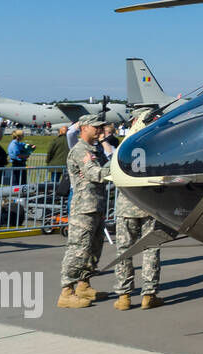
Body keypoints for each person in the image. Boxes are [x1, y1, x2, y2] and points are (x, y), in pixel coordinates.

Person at [112, 106, 164, 310]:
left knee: (124, 250)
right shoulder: (157, 146)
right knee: (151, 249)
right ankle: (149, 294)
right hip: (149, 205)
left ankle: (124, 296)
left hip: (126, 205)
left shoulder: (125, 145)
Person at [58, 115, 111, 308]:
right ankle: (66, 291)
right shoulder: (80, 150)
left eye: (101, 127)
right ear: (84, 127)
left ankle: (84, 285)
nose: (100, 130)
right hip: (83, 208)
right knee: (78, 249)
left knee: (94, 249)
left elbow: (99, 170)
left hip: (97, 206)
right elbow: (94, 174)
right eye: (96, 127)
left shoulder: (95, 149)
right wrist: (113, 168)